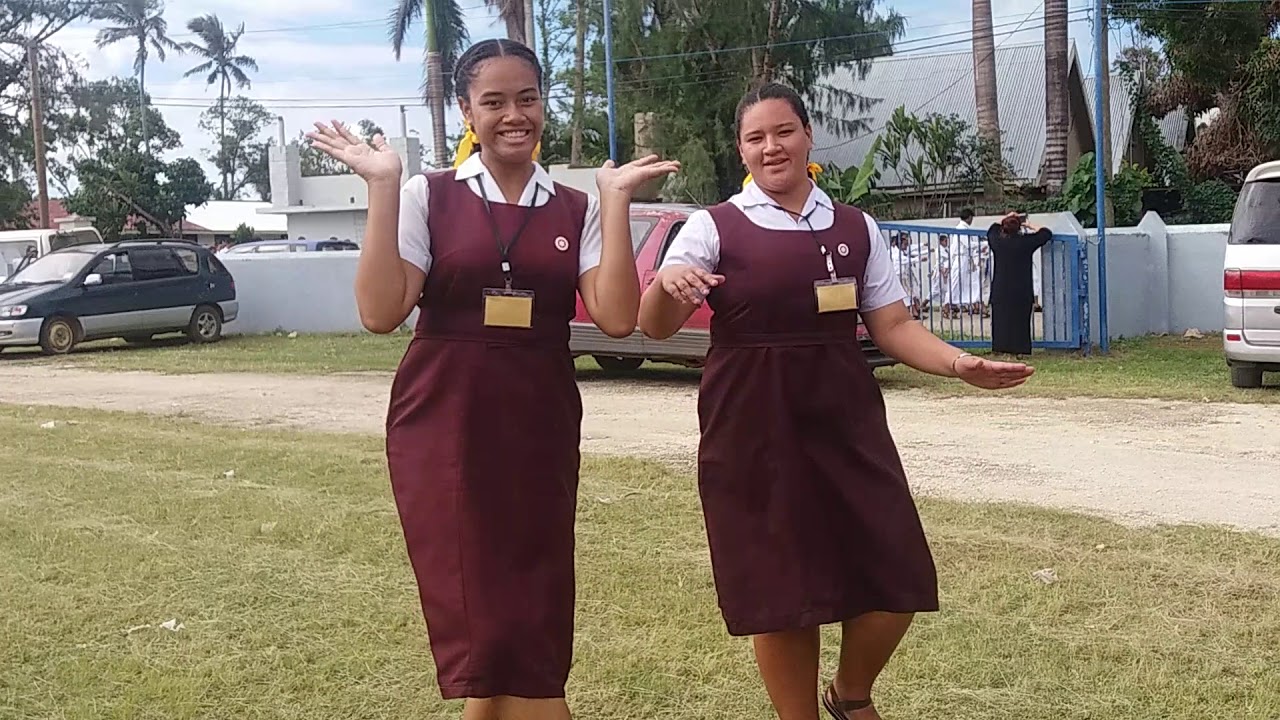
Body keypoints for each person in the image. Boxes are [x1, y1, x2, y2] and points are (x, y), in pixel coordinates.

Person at [306, 38, 678, 720]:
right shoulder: (430, 194)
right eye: (495, 101)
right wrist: (383, 186)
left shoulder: (574, 206)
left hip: (539, 418)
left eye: (528, 99)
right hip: (447, 417)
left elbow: (620, 319)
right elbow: (380, 312)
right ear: (465, 111)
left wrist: (616, 200)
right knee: (482, 611)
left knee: (531, 600)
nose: (515, 115)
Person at [637, 82, 1034, 720]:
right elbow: (652, 325)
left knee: (897, 569)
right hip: (753, 422)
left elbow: (893, 325)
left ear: (807, 135)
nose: (772, 147)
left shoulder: (855, 226)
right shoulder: (713, 226)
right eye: (756, 137)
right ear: (741, 150)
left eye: (783, 131)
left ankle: (850, 696)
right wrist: (665, 284)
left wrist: (959, 364)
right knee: (783, 590)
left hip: (845, 416)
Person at [987, 211, 1053, 356]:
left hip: (1001, 287)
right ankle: (1020, 348)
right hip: (1021, 289)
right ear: (1019, 228)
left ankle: (1000, 347)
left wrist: (1007, 217)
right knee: (1021, 321)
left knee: (1000, 320)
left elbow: (992, 228)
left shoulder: (998, 241)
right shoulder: (1025, 242)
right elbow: (1046, 233)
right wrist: (1029, 225)